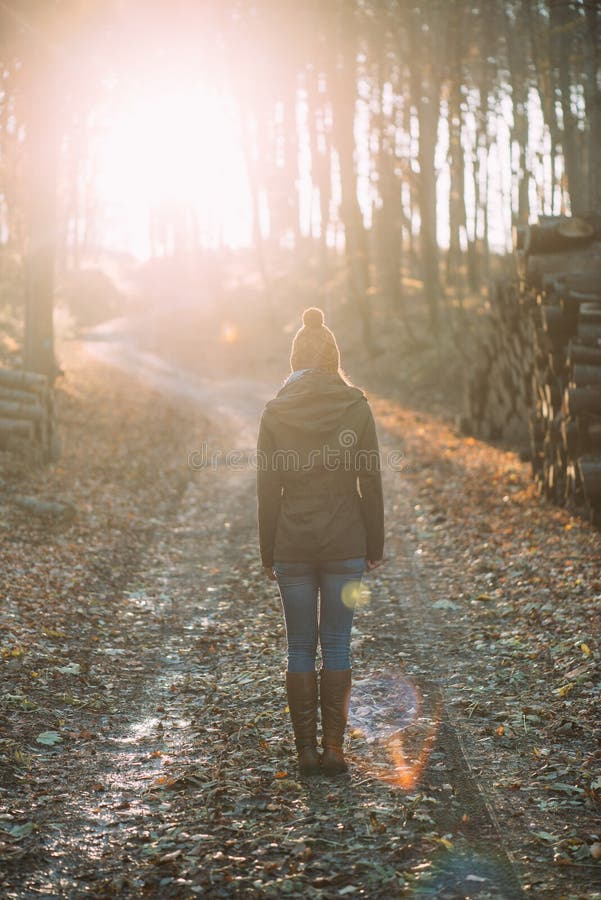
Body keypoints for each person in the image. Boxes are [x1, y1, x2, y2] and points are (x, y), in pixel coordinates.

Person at [256, 307, 384, 777]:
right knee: (338, 645)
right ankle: (334, 751)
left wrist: (267, 550)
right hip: (345, 540)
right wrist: (375, 543)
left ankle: (304, 754)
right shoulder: (355, 406)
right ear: (333, 358)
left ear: (295, 361)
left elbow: (268, 488)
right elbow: (370, 479)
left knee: (298, 648)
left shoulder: (275, 411)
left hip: (292, 541)